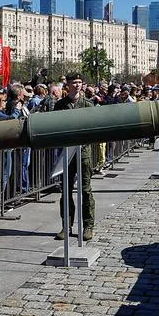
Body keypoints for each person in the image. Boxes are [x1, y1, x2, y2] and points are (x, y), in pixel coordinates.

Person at [54, 72, 96, 241]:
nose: (77, 85)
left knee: (86, 190)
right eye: (74, 82)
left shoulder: (88, 104)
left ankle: (88, 226)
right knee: (66, 190)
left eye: (80, 82)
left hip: (83, 151)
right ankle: (67, 225)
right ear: (68, 85)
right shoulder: (60, 105)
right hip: (67, 152)